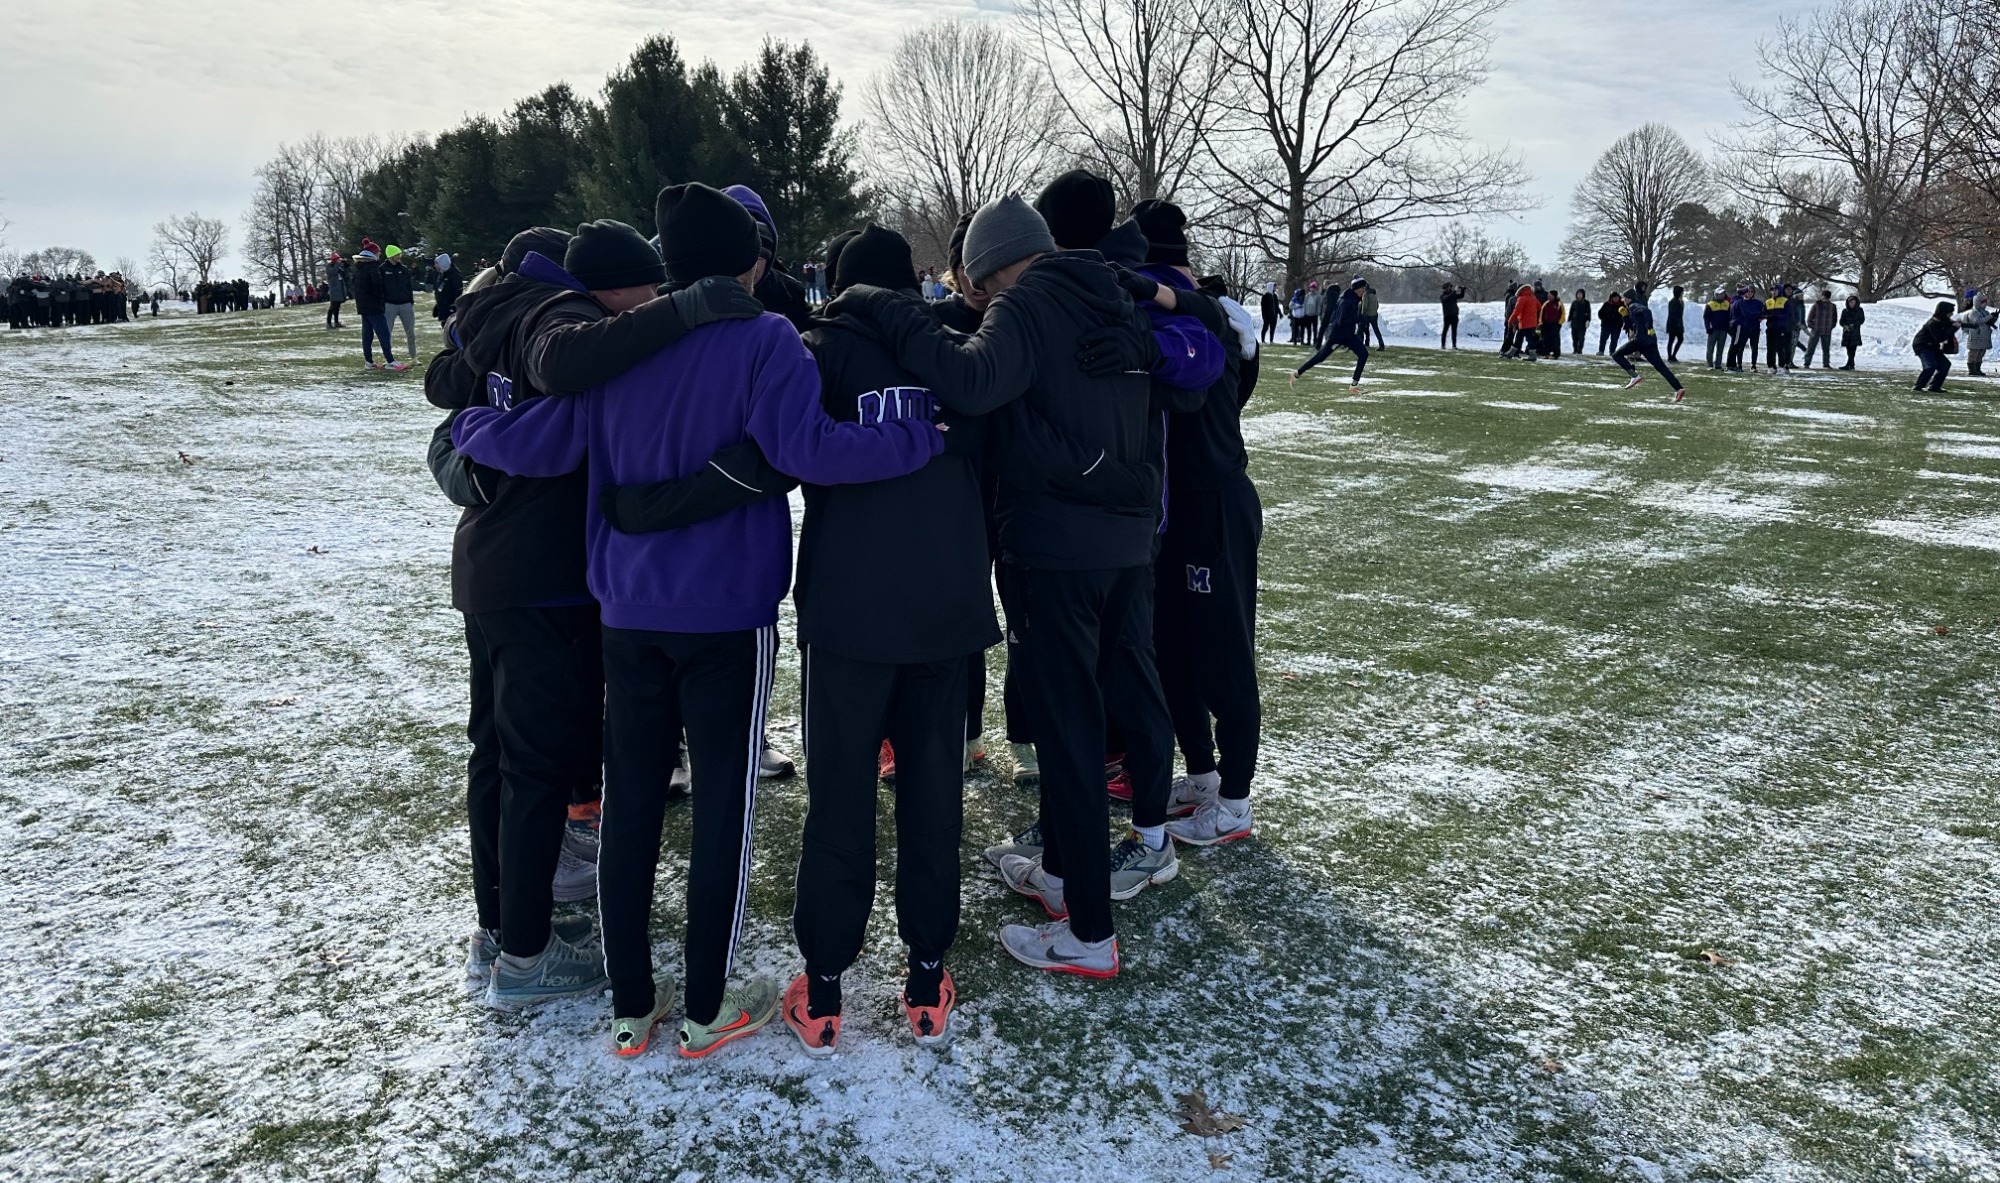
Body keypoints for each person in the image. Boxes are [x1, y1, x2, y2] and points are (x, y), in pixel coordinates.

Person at [453, 196, 943, 1059]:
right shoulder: (765, 340)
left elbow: (545, 441)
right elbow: (812, 451)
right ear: (750, 265)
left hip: (626, 610)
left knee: (630, 801)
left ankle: (633, 1004)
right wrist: (914, 439)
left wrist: (470, 426)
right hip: (727, 612)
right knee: (725, 805)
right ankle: (708, 1005)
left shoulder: (624, 343)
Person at [422, 222, 769, 1012]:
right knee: (534, 767)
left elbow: (456, 387)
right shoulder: (560, 315)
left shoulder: (498, 309)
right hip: (542, 576)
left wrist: (469, 433)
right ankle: (526, 954)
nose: (649, 304)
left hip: (491, 567)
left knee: (500, 756)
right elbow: (564, 404)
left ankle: (501, 927)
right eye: (644, 290)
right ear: (610, 287)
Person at [826, 195, 1167, 980]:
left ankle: (1087, 930)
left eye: (976, 286)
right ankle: (1059, 868)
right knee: (1092, 711)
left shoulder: (1030, 300)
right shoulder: (1110, 293)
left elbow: (972, 381)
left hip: (1057, 551)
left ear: (987, 273)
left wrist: (890, 306)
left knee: (1070, 735)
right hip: (1124, 544)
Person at [1293, 277, 1370, 389]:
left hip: (1348, 335)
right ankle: (1297, 373)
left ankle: (1354, 385)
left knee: (1364, 354)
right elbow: (1340, 320)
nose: (1364, 290)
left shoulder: (1355, 299)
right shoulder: (1345, 301)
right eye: (1363, 288)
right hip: (1337, 336)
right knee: (1320, 357)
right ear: (1357, 289)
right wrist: (1358, 319)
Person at [1612, 286, 1686, 402]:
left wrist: (1649, 327)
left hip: (1641, 340)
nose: (1623, 300)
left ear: (1628, 298)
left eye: (1624, 298)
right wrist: (1625, 316)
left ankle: (1634, 376)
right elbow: (1633, 327)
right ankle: (1678, 388)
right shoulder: (1632, 307)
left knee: (1616, 355)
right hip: (1650, 340)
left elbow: (1647, 311)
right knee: (1660, 366)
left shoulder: (1634, 306)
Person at [349, 245, 403, 371]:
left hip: (363, 307)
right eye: (378, 252)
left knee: (367, 335)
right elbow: (378, 287)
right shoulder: (372, 268)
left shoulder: (358, 269)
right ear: (373, 254)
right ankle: (390, 360)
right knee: (383, 333)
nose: (379, 255)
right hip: (374, 307)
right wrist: (382, 299)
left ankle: (368, 361)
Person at [381, 245, 419, 361]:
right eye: (397, 254)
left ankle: (413, 357)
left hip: (405, 304)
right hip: (389, 305)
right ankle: (389, 358)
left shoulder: (404, 269)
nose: (399, 257)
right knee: (387, 333)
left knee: (410, 333)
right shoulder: (382, 269)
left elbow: (409, 286)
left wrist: (410, 301)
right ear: (391, 256)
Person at [1913, 301, 1959, 392]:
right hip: (1922, 346)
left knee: (1945, 365)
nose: (1951, 315)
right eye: (1950, 313)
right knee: (1930, 366)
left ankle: (1934, 387)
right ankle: (1918, 386)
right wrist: (1954, 328)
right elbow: (1940, 338)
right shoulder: (1933, 323)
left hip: (1932, 347)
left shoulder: (1943, 321)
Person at [1957, 290, 1993, 377]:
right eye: (1983, 302)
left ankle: (1977, 369)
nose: (1985, 304)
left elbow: (1988, 322)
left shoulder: (1985, 312)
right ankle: (1972, 370)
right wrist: (1989, 317)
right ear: (1978, 302)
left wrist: (1994, 317)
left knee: (1981, 354)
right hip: (1975, 337)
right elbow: (1978, 321)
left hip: (1984, 337)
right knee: (1974, 354)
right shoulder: (1973, 312)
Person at [1728, 286, 1762, 372]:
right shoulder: (1739, 302)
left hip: (1752, 327)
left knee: (1741, 346)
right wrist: (1757, 315)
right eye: (1747, 291)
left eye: (1751, 291)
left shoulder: (1735, 301)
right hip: (1740, 326)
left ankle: (1735, 365)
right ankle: (1732, 365)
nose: (1749, 293)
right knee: (1736, 346)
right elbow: (1746, 314)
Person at [1763, 283, 1793, 372]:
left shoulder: (1785, 301)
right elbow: (1764, 313)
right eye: (1772, 290)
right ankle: (1771, 366)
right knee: (1770, 348)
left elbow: (1788, 314)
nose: (1774, 292)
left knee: (1781, 348)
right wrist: (1766, 316)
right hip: (1771, 328)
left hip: (1781, 328)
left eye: (1776, 290)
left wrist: (1775, 315)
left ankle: (1782, 365)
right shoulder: (1768, 302)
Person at [1805, 289, 1837, 368]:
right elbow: (1810, 317)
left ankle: (1826, 364)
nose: (1824, 299)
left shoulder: (1832, 306)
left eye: (1826, 297)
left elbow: (1834, 318)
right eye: (1823, 297)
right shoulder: (1816, 305)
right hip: (1815, 330)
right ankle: (1807, 363)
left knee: (1826, 349)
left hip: (1826, 330)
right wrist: (1812, 326)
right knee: (1811, 347)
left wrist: (1831, 326)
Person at [1509, 283, 1542, 360]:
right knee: (1519, 338)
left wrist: (1510, 320)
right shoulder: (1533, 297)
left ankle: (1532, 356)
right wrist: (1531, 313)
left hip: (1524, 322)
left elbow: (1516, 311)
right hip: (1532, 322)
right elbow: (1539, 306)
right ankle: (1511, 353)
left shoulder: (1522, 298)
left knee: (1529, 340)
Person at [432, 253, 464, 324]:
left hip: (452, 313)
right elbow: (442, 294)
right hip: (444, 312)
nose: (435, 266)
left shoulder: (454, 276)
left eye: (436, 264)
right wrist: (438, 306)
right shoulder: (441, 276)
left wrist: (452, 307)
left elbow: (459, 293)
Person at [1703, 290, 1731, 370]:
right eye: (1720, 294)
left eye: (1723, 294)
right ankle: (1709, 364)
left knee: (1720, 348)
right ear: (1716, 295)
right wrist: (1708, 328)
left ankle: (1718, 364)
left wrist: (1728, 327)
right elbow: (1706, 318)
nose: (1722, 295)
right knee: (1710, 348)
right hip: (1713, 330)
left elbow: (1729, 316)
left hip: (1723, 330)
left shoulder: (1727, 304)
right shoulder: (1710, 305)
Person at [1839, 295, 1866, 370]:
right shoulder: (1845, 311)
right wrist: (1845, 325)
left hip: (1855, 332)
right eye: (1850, 302)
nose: (1852, 304)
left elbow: (1862, 320)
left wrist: (1854, 324)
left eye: (1854, 302)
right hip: (1847, 332)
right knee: (1848, 349)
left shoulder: (1859, 310)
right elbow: (1841, 321)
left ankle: (1849, 364)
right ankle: (1851, 364)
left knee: (1853, 349)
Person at [1539, 286, 1563, 357]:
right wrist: (1541, 323)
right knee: (1546, 340)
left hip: (1555, 325)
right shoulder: (1546, 304)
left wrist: (1559, 323)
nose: (1548, 296)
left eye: (1550, 295)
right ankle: (1546, 353)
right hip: (1546, 324)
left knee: (1555, 340)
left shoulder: (1559, 304)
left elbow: (1563, 314)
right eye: (1548, 295)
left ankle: (1556, 354)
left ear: (1554, 296)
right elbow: (1541, 314)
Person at [1440, 282, 1465, 349]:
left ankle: (1454, 345)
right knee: (1445, 330)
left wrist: (1462, 290)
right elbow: (1448, 298)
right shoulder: (1443, 296)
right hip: (1447, 316)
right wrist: (1454, 291)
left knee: (1454, 331)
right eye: (1449, 287)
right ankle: (1443, 345)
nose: (1450, 288)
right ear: (1445, 289)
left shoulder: (1452, 294)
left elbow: (1461, 296)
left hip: (1454, 315)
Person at [1665, 286, 1686, 362]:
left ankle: (1673, 355)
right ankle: (1670, 356)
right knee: (1671, 340)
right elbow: (1672, 314)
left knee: (1680, 339)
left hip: (1678, 324)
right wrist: (1677, 323)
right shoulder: (1673, 302)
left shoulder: (1680, 301)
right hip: (1673, 324)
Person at [1360, 282, 1384, 348]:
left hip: (1367, 315)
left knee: (1360, 329)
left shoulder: (1365, 294)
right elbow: (1377, 305)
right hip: (1374, 314)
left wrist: (1362, 314)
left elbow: (1365, 306)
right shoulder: (1374, 294)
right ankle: (1381, 343)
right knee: (1376, 330)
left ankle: (1358, 344)